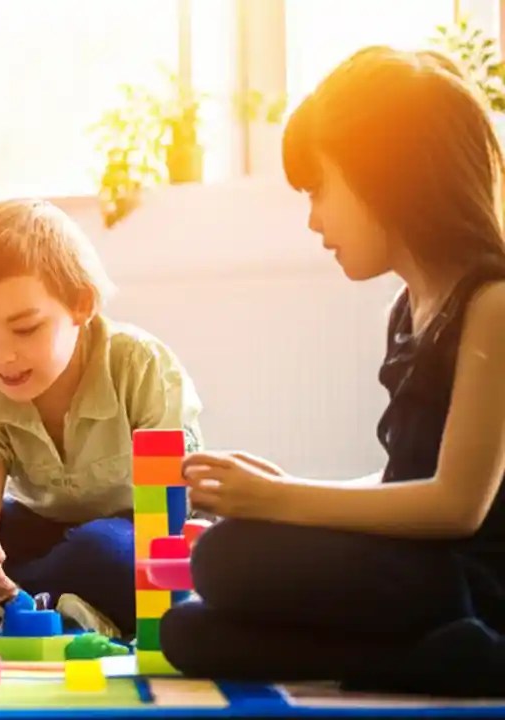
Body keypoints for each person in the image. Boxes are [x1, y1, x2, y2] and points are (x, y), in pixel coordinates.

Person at [160, 46, 505, 697]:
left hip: (471, 577)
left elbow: (458, 505)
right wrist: (290, 491)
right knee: (189, 635)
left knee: (223, 559)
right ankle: (438, 658)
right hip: (422, 578)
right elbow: (407, 480)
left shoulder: (493, 304)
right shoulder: (406, 309)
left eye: (319, 189)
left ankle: (466, 645)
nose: (313, 220)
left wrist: (284, 504)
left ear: (386, 175)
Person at [0, 199, 204, 641]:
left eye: (25, 329)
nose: (1, 356)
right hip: (43, 530)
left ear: (81, 304)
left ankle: (23, 606)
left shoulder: (139, 364)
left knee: (103, 551)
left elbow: (171, 509)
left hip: (139, 530)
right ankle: (54, 605)